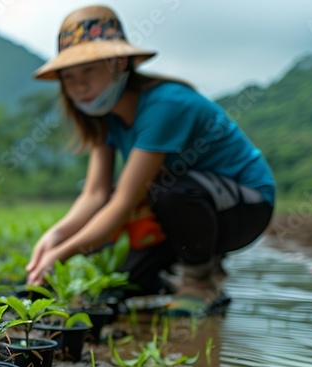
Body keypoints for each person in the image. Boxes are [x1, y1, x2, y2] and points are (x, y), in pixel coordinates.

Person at [25, 5, 275, 317]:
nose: (79, 85)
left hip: (245, 205)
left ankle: (199, 282)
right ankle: (183, 278)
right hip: (188, 204)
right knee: (125, 281)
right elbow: (95, 195)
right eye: (69, 76)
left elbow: (124, 202)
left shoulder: (164, 104)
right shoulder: (106, 119)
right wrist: (54, 237)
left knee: (166, 189)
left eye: (89, 70)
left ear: (119, 63)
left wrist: (59, 255)